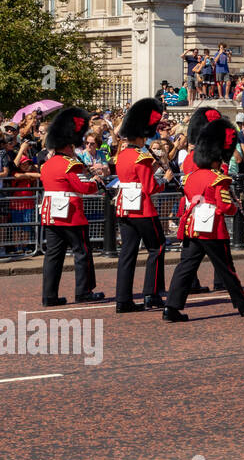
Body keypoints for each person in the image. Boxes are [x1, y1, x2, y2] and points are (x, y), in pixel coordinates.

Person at [160, 117, 244, 322]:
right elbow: (225, 207)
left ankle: (171, 307)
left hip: (192, 227)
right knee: (226, 268)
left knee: (185, 267)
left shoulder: (190, 177)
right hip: (212, 229)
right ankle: (243, 304)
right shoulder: (218, 178)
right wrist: (236, 210)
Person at [39, 108, 105, 307]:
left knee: (53, 255)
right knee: (82, 252)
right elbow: (82, 187)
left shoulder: (48, 164)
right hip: (70, 214)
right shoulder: (70, 164)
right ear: (68, 146)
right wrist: (95, 182)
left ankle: (49, 296)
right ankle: (83, 291)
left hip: (51, 213)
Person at [113, 98, 173, 313]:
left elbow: (135, 178)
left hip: (124, 208)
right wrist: (164, 178)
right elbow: (149, 187)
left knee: (127, 253)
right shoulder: (141, 157)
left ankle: (123, 300)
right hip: (143, 209)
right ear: (141, 136)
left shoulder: (123, 156)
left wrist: (153, 164)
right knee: (157, 247)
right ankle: (152, 294)